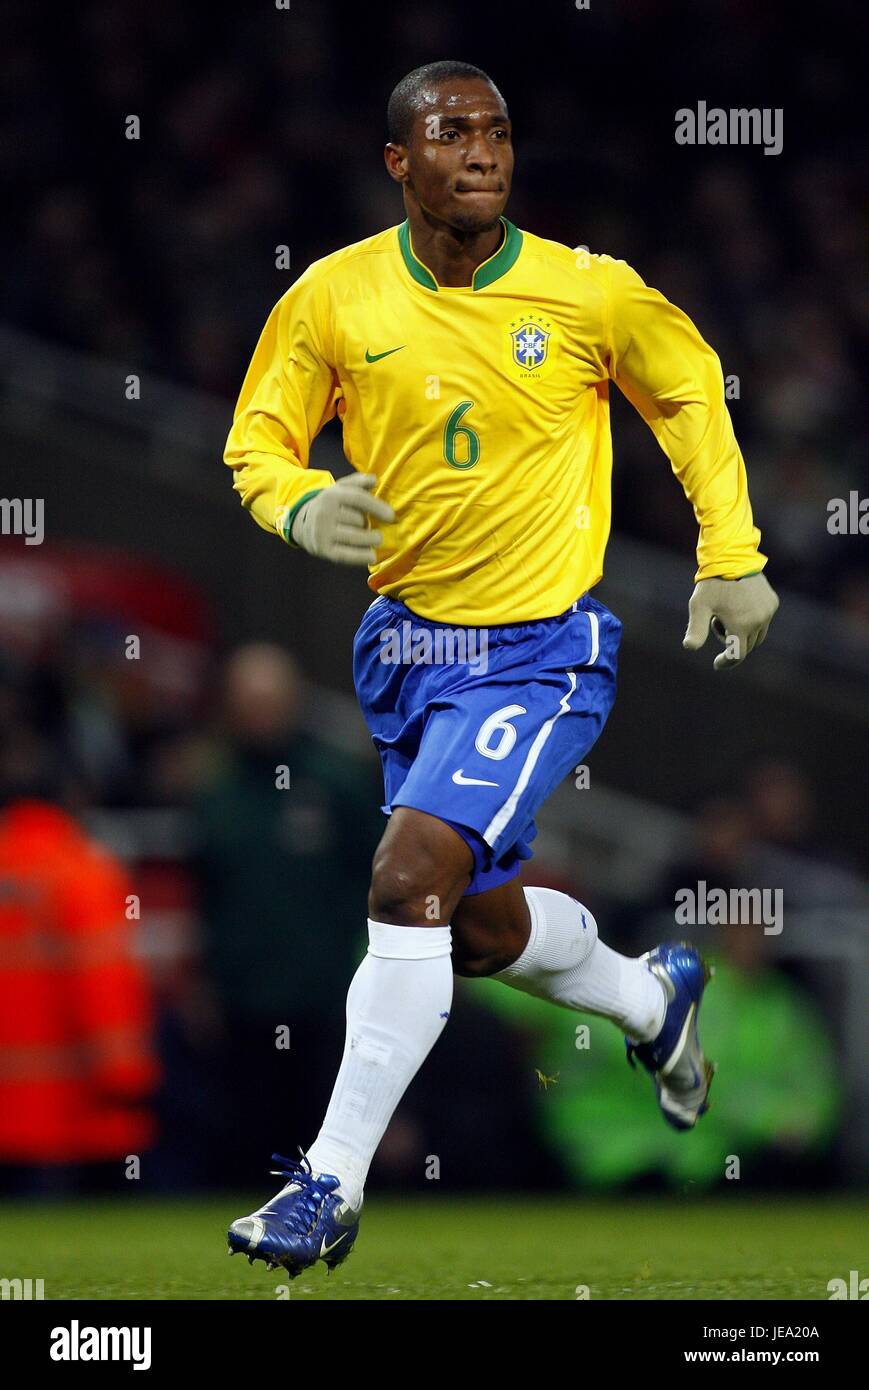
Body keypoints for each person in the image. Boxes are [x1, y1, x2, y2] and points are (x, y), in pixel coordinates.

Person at [221, 60, 779, 1278]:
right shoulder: (331, 298)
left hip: (538, 651)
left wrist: (728, 550)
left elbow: (686, 389)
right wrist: (299, 503)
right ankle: (649, 1000)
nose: (480, 151)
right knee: (467, 928)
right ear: (398, 163)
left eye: (496, 133)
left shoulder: (586, 292)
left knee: (405, 875)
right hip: (404, 650)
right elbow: (257, 439)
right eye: (450, 132)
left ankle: (325, 1183)